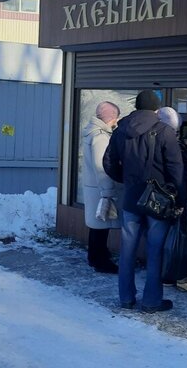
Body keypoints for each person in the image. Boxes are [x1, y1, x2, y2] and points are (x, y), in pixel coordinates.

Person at [104, 91, 183, 312]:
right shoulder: (165, 132)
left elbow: (108, 162)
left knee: (127, 250)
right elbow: (176, 170)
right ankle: (151, 301)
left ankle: (126, 299)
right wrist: (178, 198)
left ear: (136, 107)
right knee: (155, 250)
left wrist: (127, 180)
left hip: (130, 198)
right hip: (158, 200)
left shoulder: (120, 130)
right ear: (156, 110)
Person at [155, 107, 187, 285]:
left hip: (153, 196)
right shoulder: (179, 147)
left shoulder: (149, 141)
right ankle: (171, 273)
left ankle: (157, 271)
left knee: (156, 235)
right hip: (176, 196)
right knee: (176, 236)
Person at [81, 101, 122, 274]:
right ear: (111, 117)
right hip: (100, 189)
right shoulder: (100, 136)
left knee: (97, 225)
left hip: (93, 187)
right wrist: (108, 191)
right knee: (101, 225)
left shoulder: (91, 132)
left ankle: (96, 256)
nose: (116, 122)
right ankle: (100, 260)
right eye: (116, 118)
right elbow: (102, 166)